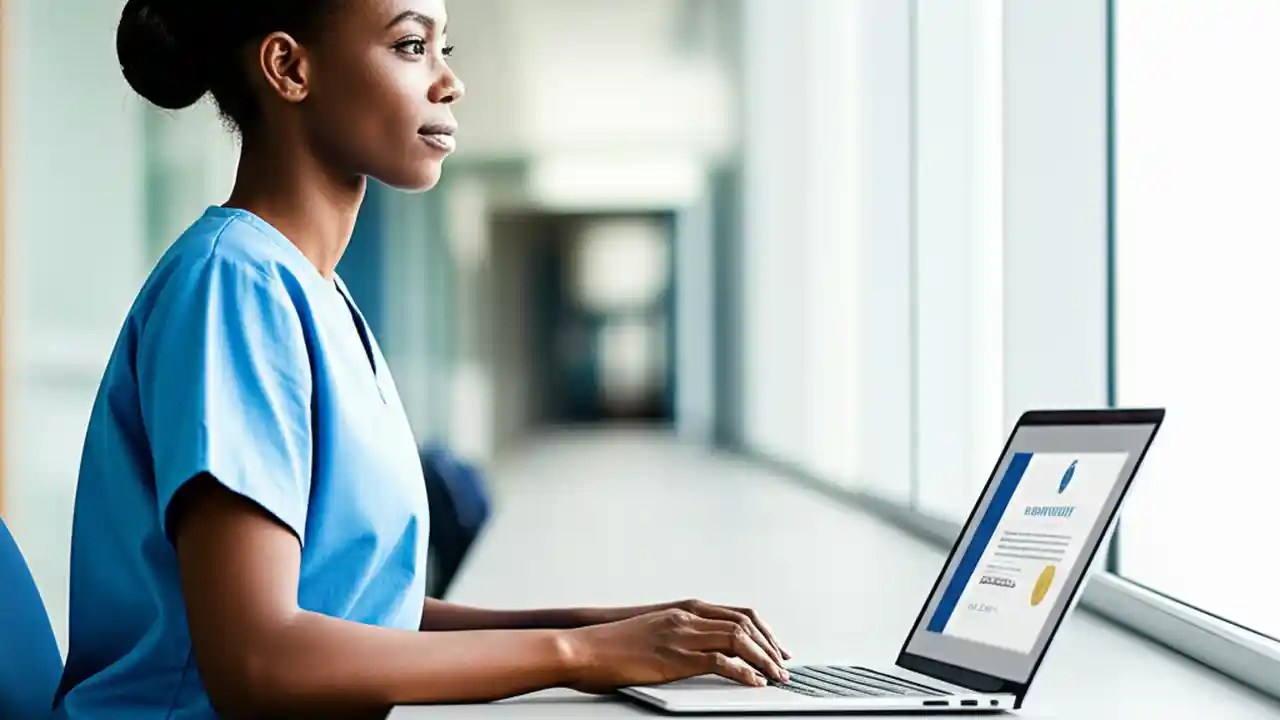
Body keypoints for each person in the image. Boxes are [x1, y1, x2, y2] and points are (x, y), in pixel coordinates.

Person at [52, 1, 790, 717]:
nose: (450, 81)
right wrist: (576, 652)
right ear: (290, 69)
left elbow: (361, 612)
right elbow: (260, 662)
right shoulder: (233, 286)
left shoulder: (314, 291)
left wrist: (607, 628)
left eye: (446, 48)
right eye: (412, 46)